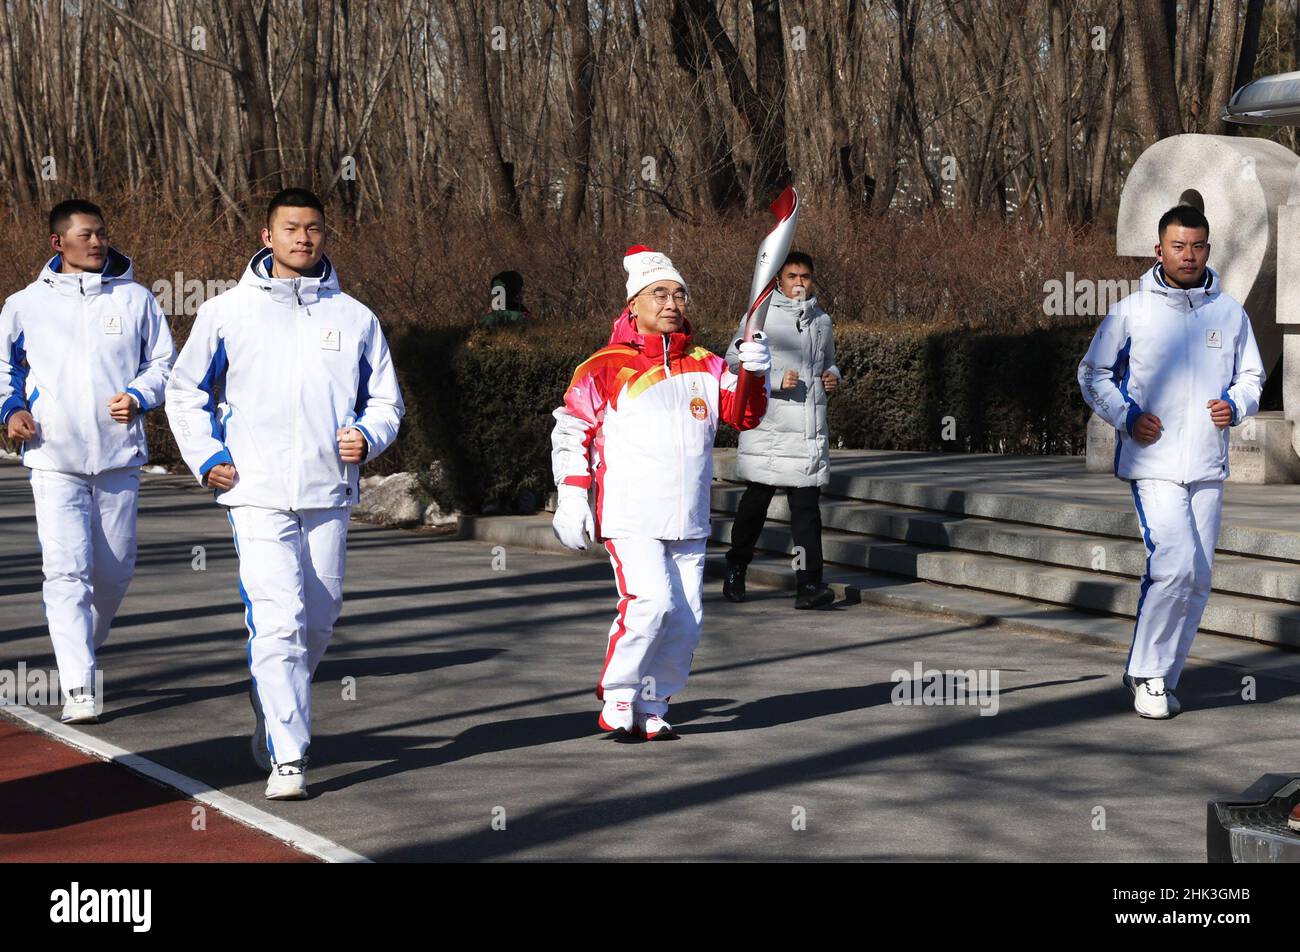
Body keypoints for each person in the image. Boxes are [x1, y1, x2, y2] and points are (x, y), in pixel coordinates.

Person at [165, 188, 404, 799]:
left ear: (325, 236)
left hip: (328, 493)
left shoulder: (354, 317)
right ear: (267, 235)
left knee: (318, 621)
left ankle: (271, 701)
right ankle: (289, 757)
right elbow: (184, 390)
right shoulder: (226, 313)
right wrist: (208, 456)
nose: (304, 238)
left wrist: (367, 436)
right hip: (255, 489)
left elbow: (386, 402)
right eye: (291, 228)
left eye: (314, 229)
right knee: (279, 624)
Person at [550, 245, 771, 739]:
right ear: (633, 305)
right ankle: (620, 693)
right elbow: (572, 431)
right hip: (630, 513)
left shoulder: (708, 364)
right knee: (649, 603)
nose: (672, 303)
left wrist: (755, 370)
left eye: (679, 294)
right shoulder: (604, 366)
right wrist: (571, 495)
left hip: (689, 517)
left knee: (687, 621)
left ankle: (653, 700)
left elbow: (745, 414)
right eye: (659, 294)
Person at [1078, 203, 1263, 719]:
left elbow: (1251, 376)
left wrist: (1237, 404)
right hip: (1152, 462)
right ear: (1159, 249)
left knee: (1199, 577)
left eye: (1197, 246)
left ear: (1208, 249)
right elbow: (1093, 375)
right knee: (1174, 563)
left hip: (1206, 462)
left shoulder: (1229, 312)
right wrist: (1126, 415)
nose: (1188, 255)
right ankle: (1148, 673)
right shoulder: (1132, 310)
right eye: (1178, 246)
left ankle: (1164, 675)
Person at [0, 199, 174, 724]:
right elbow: (4, 368)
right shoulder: (25, 305)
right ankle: (79, 683)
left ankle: (82, 645)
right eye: (85, 235)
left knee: (114, 572)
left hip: (118, 455)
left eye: (100, 233)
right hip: (53, 455)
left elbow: (165, 363)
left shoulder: (137, 298)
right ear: (58, 243)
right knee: (66, 573)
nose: (96, 242)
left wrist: (140, 394)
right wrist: (12, 410)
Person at [722, 251, 840, 609]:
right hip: (770, 428)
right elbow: (732, 363)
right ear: (779, 280)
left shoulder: (822, 320)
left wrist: (834, 377)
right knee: (754, 506)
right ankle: (736, 568)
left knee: (807, 511)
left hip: (806, 431)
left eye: (805, 276)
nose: (799, 283)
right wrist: (772, 380)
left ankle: (809, 585)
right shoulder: (759, 316)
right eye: (792, 276)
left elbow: (830, 361)